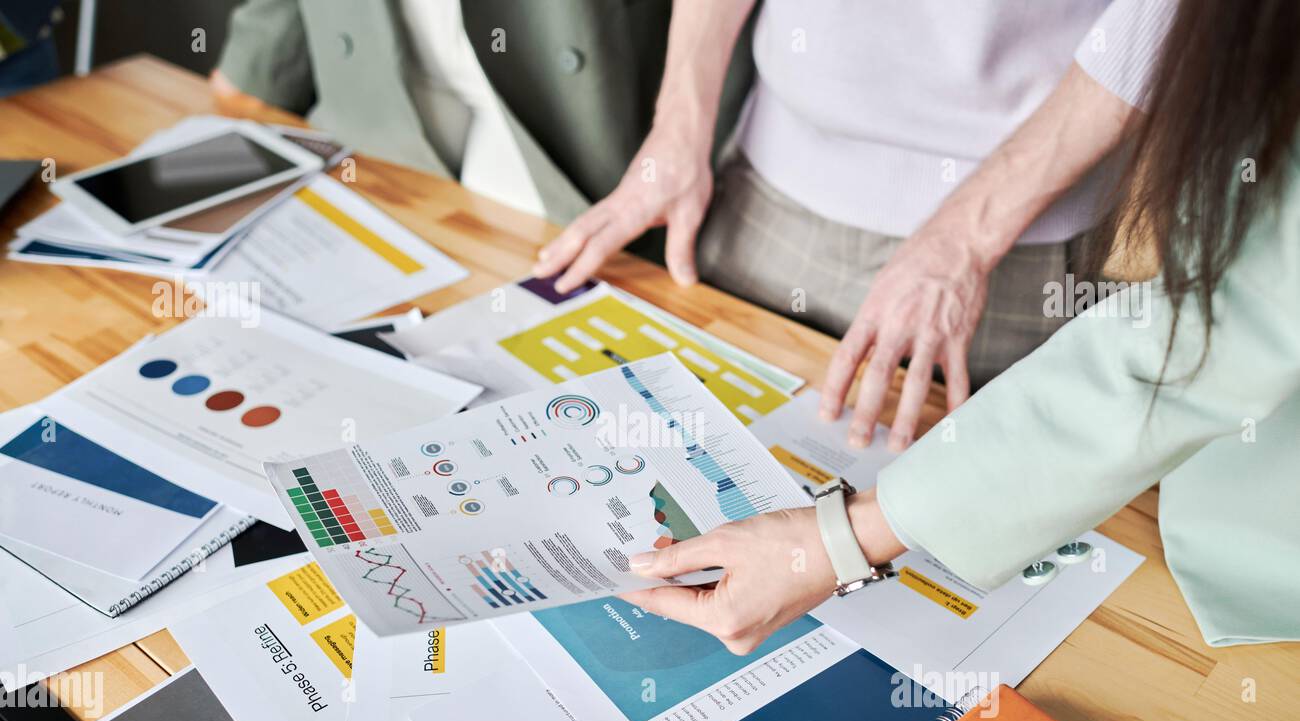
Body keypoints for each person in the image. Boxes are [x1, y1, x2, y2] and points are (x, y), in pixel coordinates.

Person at [624, 0, 1300, 652]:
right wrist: (681, 120)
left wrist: (835, 542)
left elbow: (1214, 344)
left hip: (1032, 239)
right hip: (766, 190)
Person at [535, 0, 1177, 451]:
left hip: (1021, 256)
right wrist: (679, 125)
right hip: (761, 210)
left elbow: (1167, 18)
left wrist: (965, 236)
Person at [211, 0, 753, 225]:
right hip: (375, 111)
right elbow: (244, 86)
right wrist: (257, 61)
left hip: (562, 121)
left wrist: (681, 133)